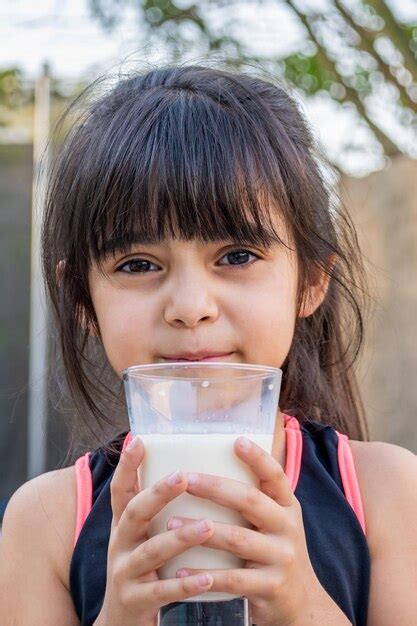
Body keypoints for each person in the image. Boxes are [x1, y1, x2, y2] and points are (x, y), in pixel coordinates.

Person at [0, 63, 416, 626]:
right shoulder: (46, 521)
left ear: (312, 281)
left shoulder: (387, 494)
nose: (191, 305)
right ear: (83, 302)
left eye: (237, 256)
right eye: (139, 264)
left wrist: (303, 609)